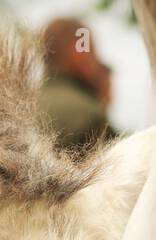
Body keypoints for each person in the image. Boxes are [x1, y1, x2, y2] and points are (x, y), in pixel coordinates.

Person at [38, 18, 116, 154]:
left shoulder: (22, 104)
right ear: (79, 53)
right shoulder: (88, 113)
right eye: (92, 51)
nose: (96, 60)